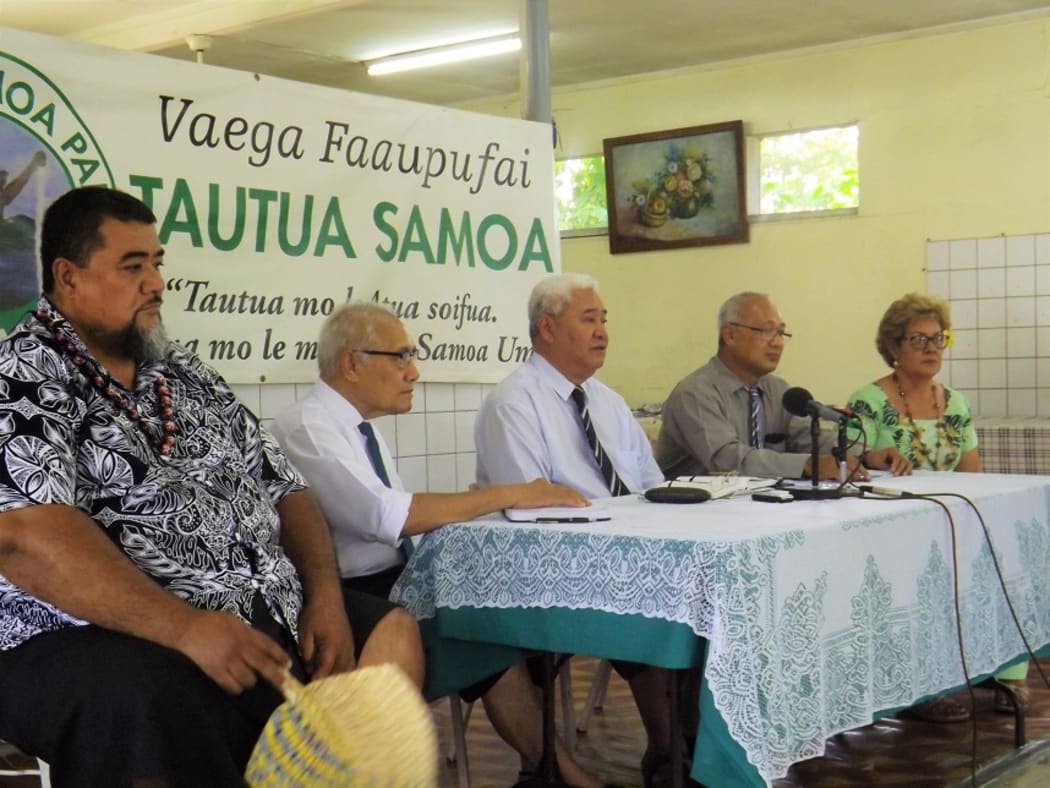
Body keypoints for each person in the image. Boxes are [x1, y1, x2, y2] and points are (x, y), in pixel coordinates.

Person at [0, 186, 423, 787]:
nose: (156, 282)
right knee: (155, 696)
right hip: (92, 628)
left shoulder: (183, 370)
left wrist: (323, 594)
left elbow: (286, 486)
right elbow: (26, 536)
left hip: (256, 606)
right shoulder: (23, 373)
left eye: (157, 262)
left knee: (389, 632)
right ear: (68, 278)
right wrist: (186, 627)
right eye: (132, 266)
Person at [271, 301, 606, 787]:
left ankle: (550, 770)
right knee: (477, 620)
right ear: (351, 363)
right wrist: (514, 491)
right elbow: (384, 516)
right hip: (339, 595)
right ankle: (556, 771)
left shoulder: (357, 428)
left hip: (387, 579)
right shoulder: (309, 428)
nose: (414, 371)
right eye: (400, 356)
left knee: (491, 618)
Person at [474, 273, 687, 788]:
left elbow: (651, 487)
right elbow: (527, 507)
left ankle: (675, 754)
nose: (603, 331)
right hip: (543, 573)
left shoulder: (607, 401)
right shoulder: (514, 403)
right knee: (648, 608)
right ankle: (649, 755)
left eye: (604, 319)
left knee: (688, 604)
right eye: (589, 319)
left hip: (619, 560)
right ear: (547, 327)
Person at [846, 292, 1027, 721]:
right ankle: (921, 689)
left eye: (939, 338)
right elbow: (850, 466)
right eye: (919, 340)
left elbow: (971, 476)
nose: (932, 349)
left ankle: (1002, 672)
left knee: (1005, 554)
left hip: (948, 520)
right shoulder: (867, 402)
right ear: (892, 347)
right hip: (889, 527)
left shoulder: (956, 403)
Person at [655, 291, 875, 480]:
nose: (777, 342)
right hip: (694, 515)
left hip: (757, 507)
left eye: (781, 333)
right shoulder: (695, 393)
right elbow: (727, 461)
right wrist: (807, 465)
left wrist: (865, 455)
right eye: (767, 331)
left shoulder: (777, 390)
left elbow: (809, 438)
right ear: (730, 335)